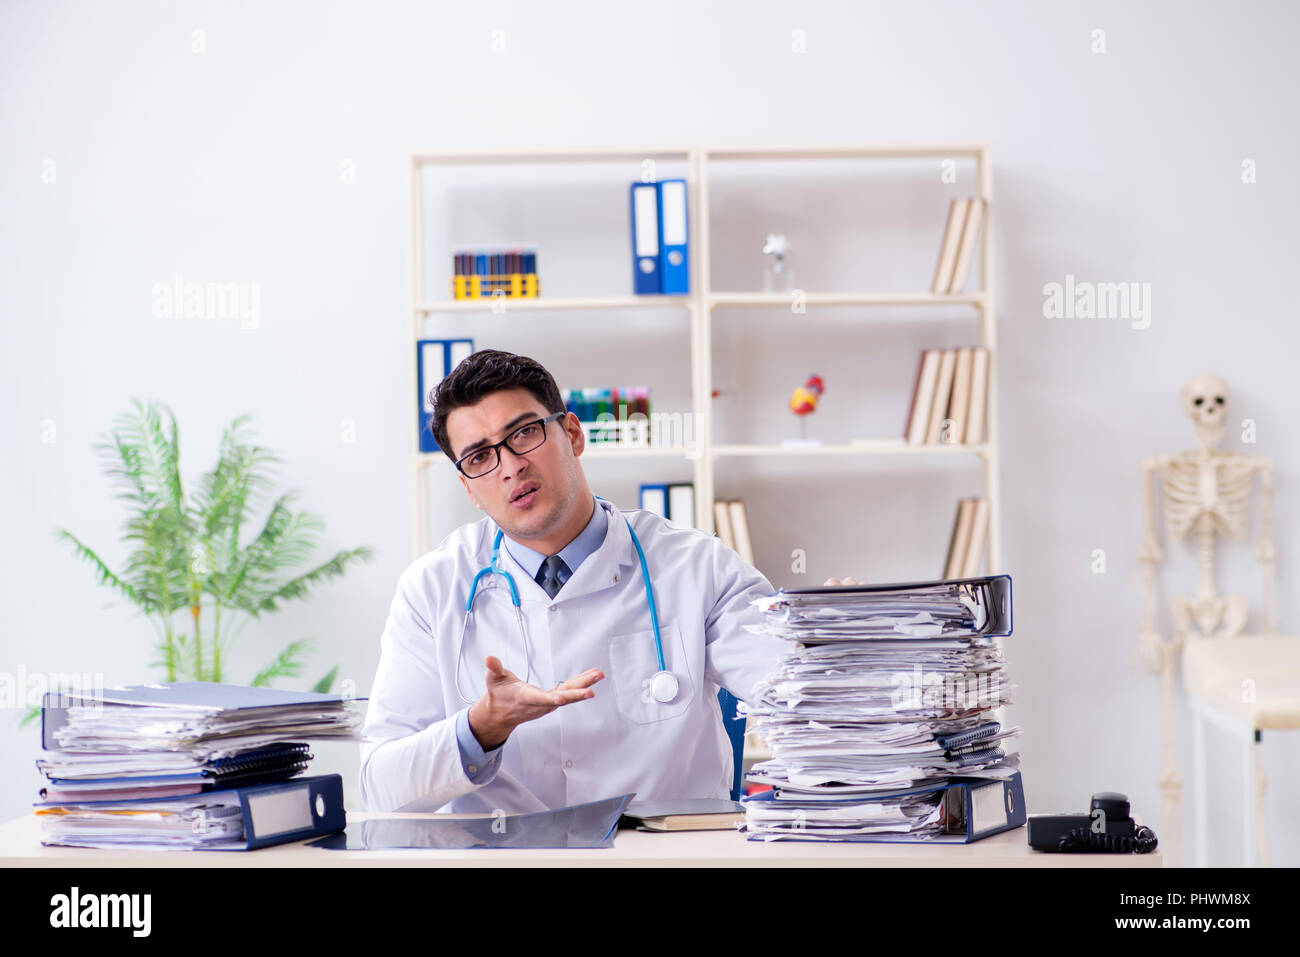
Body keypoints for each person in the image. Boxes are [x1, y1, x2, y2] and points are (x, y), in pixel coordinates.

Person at [358, 350, 791, 813]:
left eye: (523, 433)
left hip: (668, 857)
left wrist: (842, 638)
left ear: (571, 433)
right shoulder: (432, 589)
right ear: (469, 489)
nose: (510, 467)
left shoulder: (698, 566)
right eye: (480, 457)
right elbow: (383, 787)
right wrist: (480, 728)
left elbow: (800, 693)